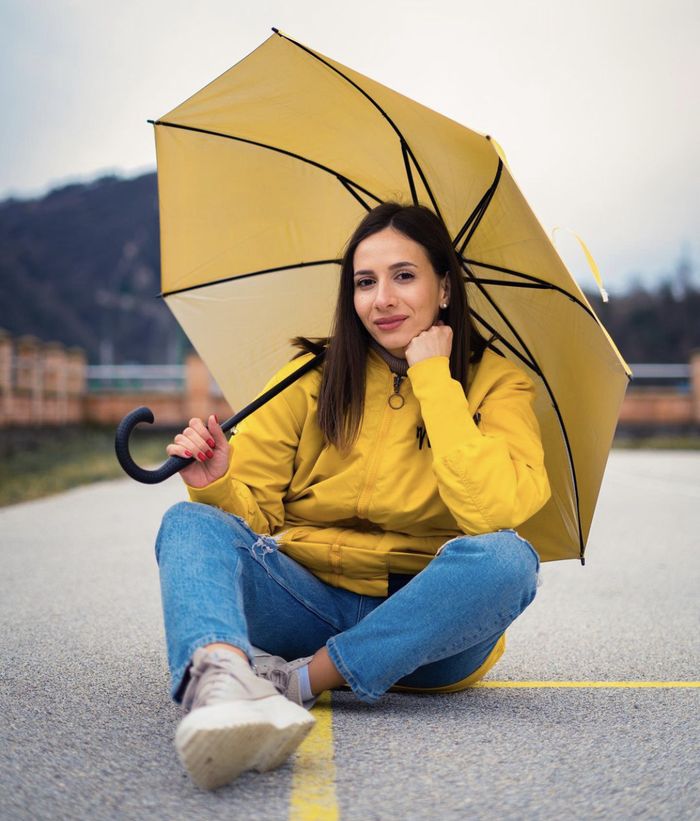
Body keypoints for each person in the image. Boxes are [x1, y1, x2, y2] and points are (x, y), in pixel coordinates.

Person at [155, 202, 551, 790]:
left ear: (444, 287)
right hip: (308, 601)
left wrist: (435, 381)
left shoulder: (498, 382)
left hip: (429, 630)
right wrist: (218, 485)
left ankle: (301, 682)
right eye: (365, 282)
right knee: (187, 524)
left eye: (404, 276)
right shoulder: (309, 377)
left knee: (511, 561)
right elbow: (256, 518)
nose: (382, 299)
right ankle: (220, 685)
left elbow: (491, 512)